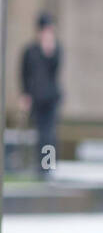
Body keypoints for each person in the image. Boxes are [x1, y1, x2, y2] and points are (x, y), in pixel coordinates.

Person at [19, 12, 62, 178]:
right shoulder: (30, 51)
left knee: (49, 133)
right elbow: (24, 74)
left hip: (51, 98)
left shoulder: (55, 49)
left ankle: (48, 166)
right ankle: (39, 166)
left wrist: (49, 52)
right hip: (36, 97)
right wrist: (24, 94)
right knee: (40, 133)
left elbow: (55, 70)